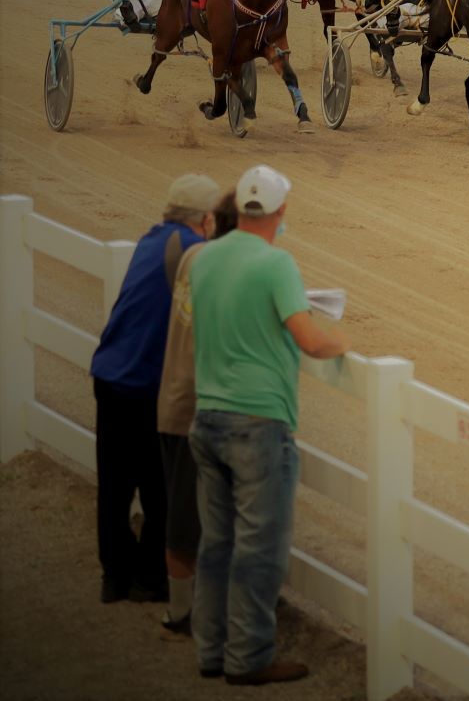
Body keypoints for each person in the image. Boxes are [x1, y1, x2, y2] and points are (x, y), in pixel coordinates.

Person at [189, 165, 349, 686]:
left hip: (208, 414)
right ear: (279, 212)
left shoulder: (205, 257)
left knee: (216, 544)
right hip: (259, 421)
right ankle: (249, 657)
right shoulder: (276, 263)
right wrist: (340, 345)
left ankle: (211, 650)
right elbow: (307, 338)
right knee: (259, 549)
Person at [88, 173, 221, 606]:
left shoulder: (152, 239)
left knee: (114, 484)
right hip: (146, 381)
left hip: (110, 372)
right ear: (205, 220)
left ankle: (115, 576)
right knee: (160, 486)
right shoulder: (192, 251)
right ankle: (150, 578)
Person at [156, 191, 238, 637]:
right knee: (189, 520)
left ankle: (185, 609)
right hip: (194, 409)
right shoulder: (213, 265)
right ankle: (187, 616)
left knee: (183, 512)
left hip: (172, 402)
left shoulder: (189, 259)